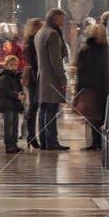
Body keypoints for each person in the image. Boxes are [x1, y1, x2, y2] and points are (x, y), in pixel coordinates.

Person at [34, 8, 70, 151]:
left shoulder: (40, 32)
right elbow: (56, 61)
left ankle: (44, 142)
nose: (64, 21)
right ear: (55, 18)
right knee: (51, 110)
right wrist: (62, 79)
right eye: (62, 18)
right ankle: (52, 142)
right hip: (51, 78)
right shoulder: (53, 34)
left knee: (43, 110)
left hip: (42, 76)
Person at [74, 22, 109, 150]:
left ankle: (94, 143)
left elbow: (81, 71)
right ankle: (99, 143)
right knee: (100, 116)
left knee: (91, 118)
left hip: (89, 87)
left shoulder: (86, 50)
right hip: (103, 86)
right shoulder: (106, 49)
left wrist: (78, 89)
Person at [0, 54, 25, 156]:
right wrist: (17, 95)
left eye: (15, 65)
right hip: (7, 105)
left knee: (15, 126)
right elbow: (5, 91)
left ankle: (14, 144)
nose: (14, 67)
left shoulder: (16, 76)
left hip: (15, 105)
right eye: (11, 65)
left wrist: (21, 94)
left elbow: (18, 88)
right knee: (8, 126)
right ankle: (9, 146)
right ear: (6, 65)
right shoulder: (4, 77)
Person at [22, 17, 43, 149]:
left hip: (33, 75)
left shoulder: (32, 41)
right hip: (33, 76)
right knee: (33, 106)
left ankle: (31, 136)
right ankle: (30, 136)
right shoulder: (31, 43)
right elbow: (34, 63)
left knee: (34, 106)